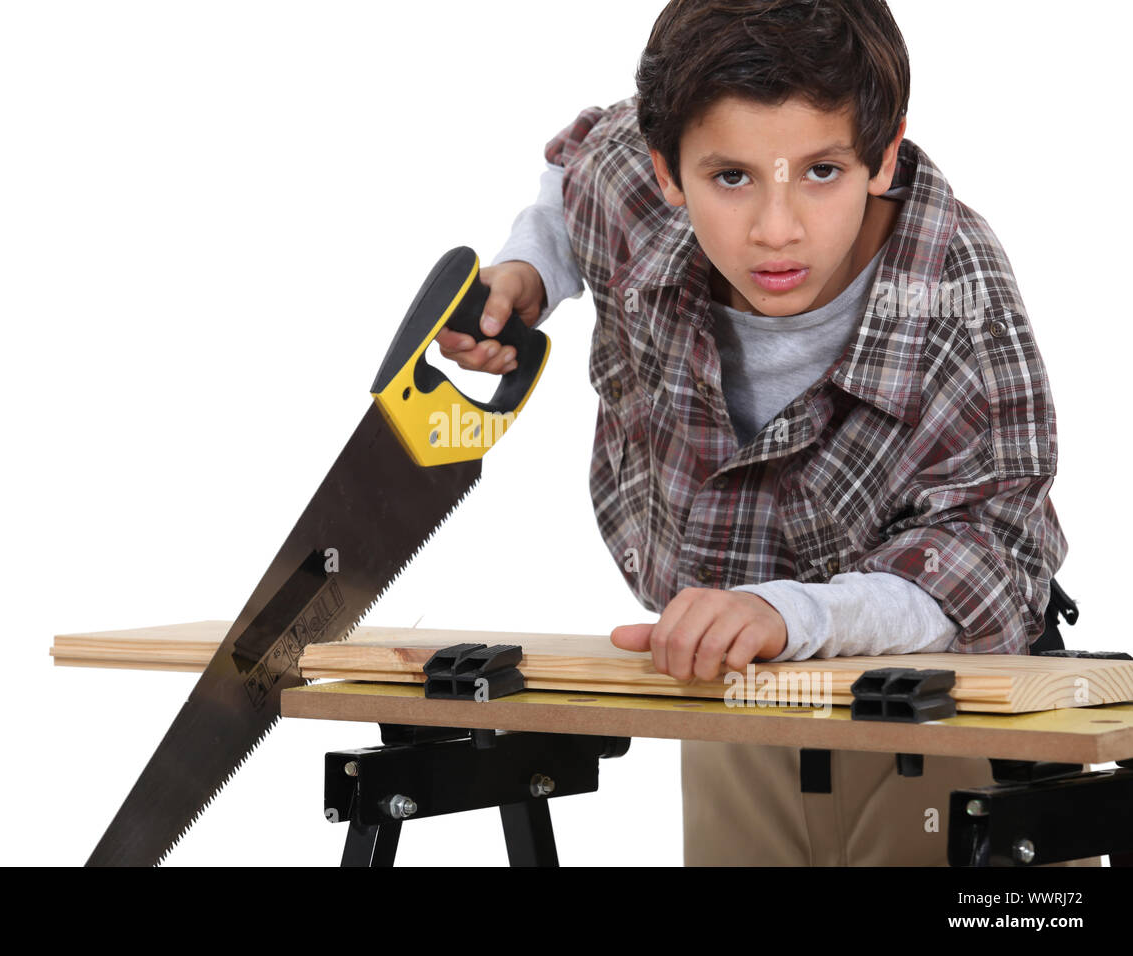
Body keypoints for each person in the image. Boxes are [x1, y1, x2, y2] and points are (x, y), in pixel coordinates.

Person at [435, 0, 1101, 867]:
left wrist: (786, 612)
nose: (776, 229)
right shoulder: (633, 183)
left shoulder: (957, 293)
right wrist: (530, 270)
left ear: (884, 154)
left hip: (954, 704)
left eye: (822, 172)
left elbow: (992, 558)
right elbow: (575, 185)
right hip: (735, 693)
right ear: (668, 172)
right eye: (733, 178)